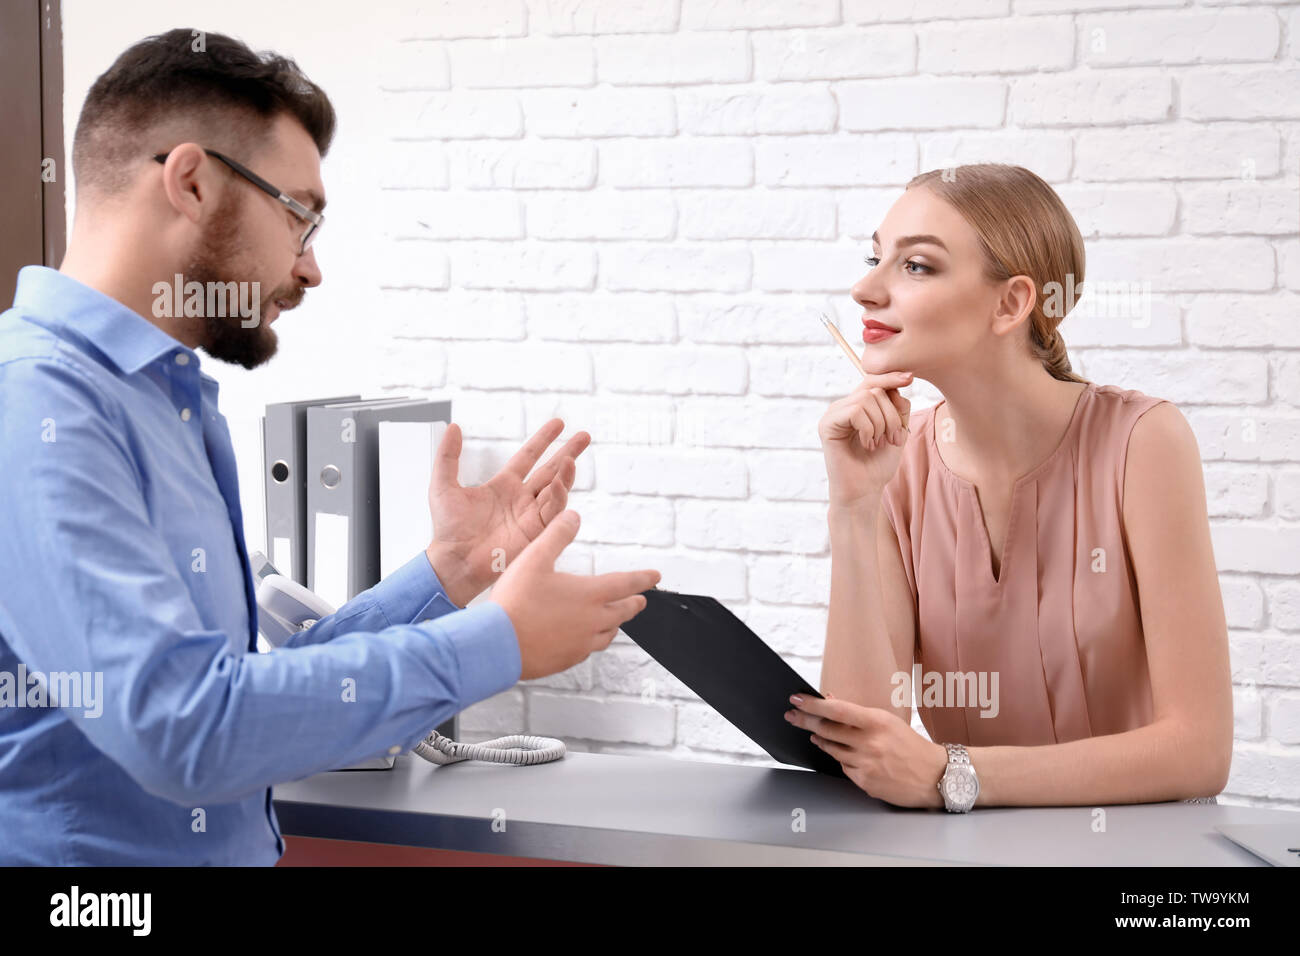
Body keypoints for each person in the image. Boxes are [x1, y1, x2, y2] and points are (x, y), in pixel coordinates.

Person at [0, 29, 659, 864]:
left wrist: (446, 577)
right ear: (192, 182)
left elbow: (236, 695)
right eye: (300, 216)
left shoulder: (166, 401)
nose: (310, 270)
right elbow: (184, 730)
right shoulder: (35, 402)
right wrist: (497, 643)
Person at [789, 164, 1232, 811]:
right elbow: (860, 740)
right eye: (875, 258)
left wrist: (952, 776)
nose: (863, 289)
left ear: (1012, 303)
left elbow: (1200, 750)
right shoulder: (898, 461)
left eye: (915, 267)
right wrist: (853, 509)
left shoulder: (1144, 441)